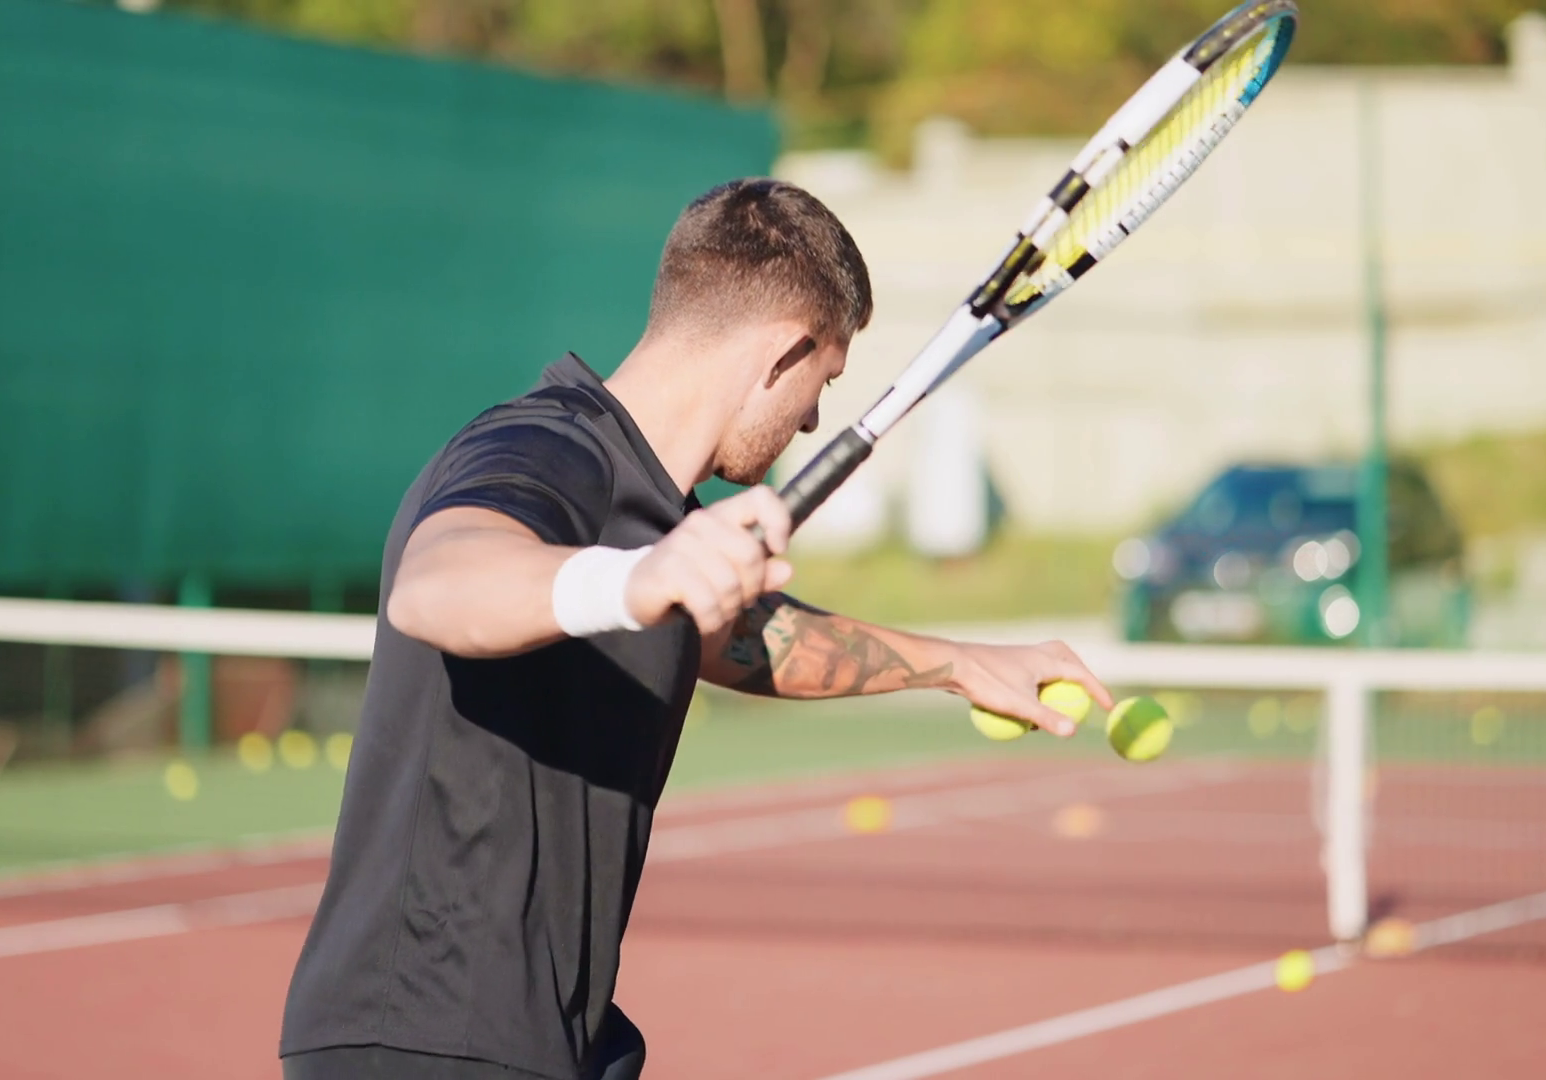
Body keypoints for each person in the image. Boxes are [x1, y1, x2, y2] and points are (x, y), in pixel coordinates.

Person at [279, 178, 1113, 1080]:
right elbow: (437, 586)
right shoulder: (547, 448)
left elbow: (745, 637)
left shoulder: (655, 511)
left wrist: (958, 664)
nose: (813, 419)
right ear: (783, 353)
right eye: (823, 381)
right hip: (425, 1036)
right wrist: (637, 581)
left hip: (544, 1036)